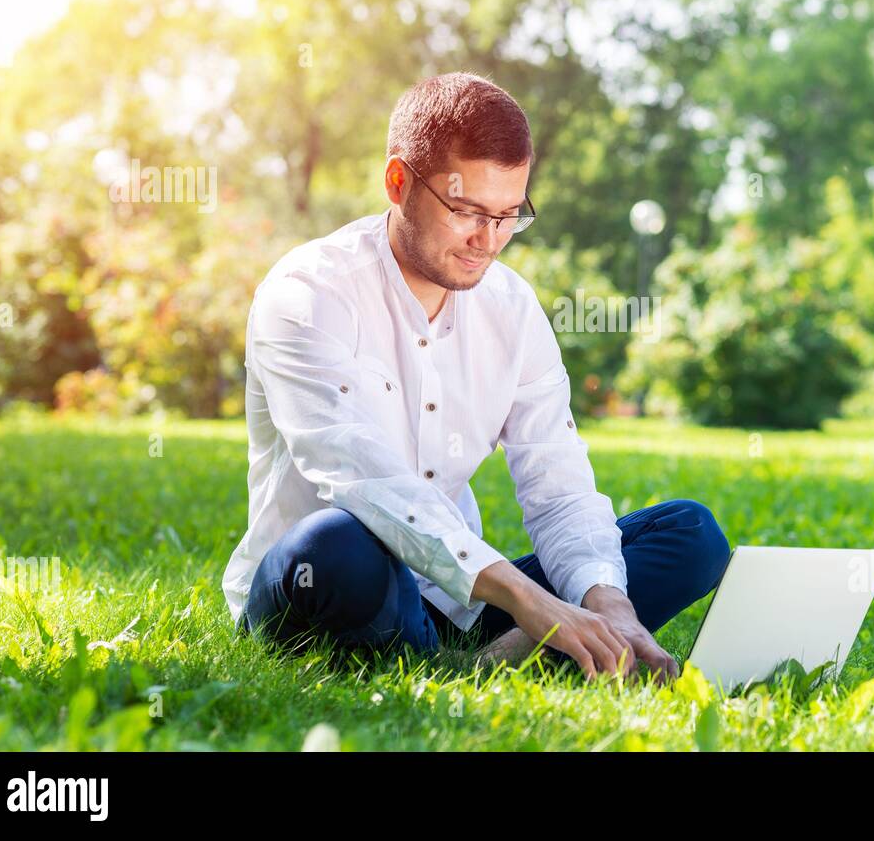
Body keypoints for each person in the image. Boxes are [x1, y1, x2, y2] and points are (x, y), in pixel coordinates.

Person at [221, 71, 729, 681]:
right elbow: (368, 483)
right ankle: (501, 659)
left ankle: (488, 658)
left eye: (509, 214)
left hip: (455, 600)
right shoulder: (308, 293)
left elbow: (558, 485)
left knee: (689, 533)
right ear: (398, 181)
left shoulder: (511, 308)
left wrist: (608, 607)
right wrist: (535, 605)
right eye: (465, 210)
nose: (488, 240)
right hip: (325, 585)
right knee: (337, 544)